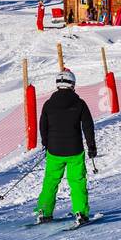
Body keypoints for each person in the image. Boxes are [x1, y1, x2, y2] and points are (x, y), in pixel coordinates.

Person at [36, 69, 98, 225]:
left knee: (50, 181)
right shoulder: (79, 104)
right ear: (73, 84)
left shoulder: (49, 104)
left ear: (58, 84)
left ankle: (44, 211)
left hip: (54, 151)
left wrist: (46, 143)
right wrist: (91, 146)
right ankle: (81, 212)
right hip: (75, 151)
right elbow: (88, 126)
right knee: (77, 181)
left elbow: (43, 125)